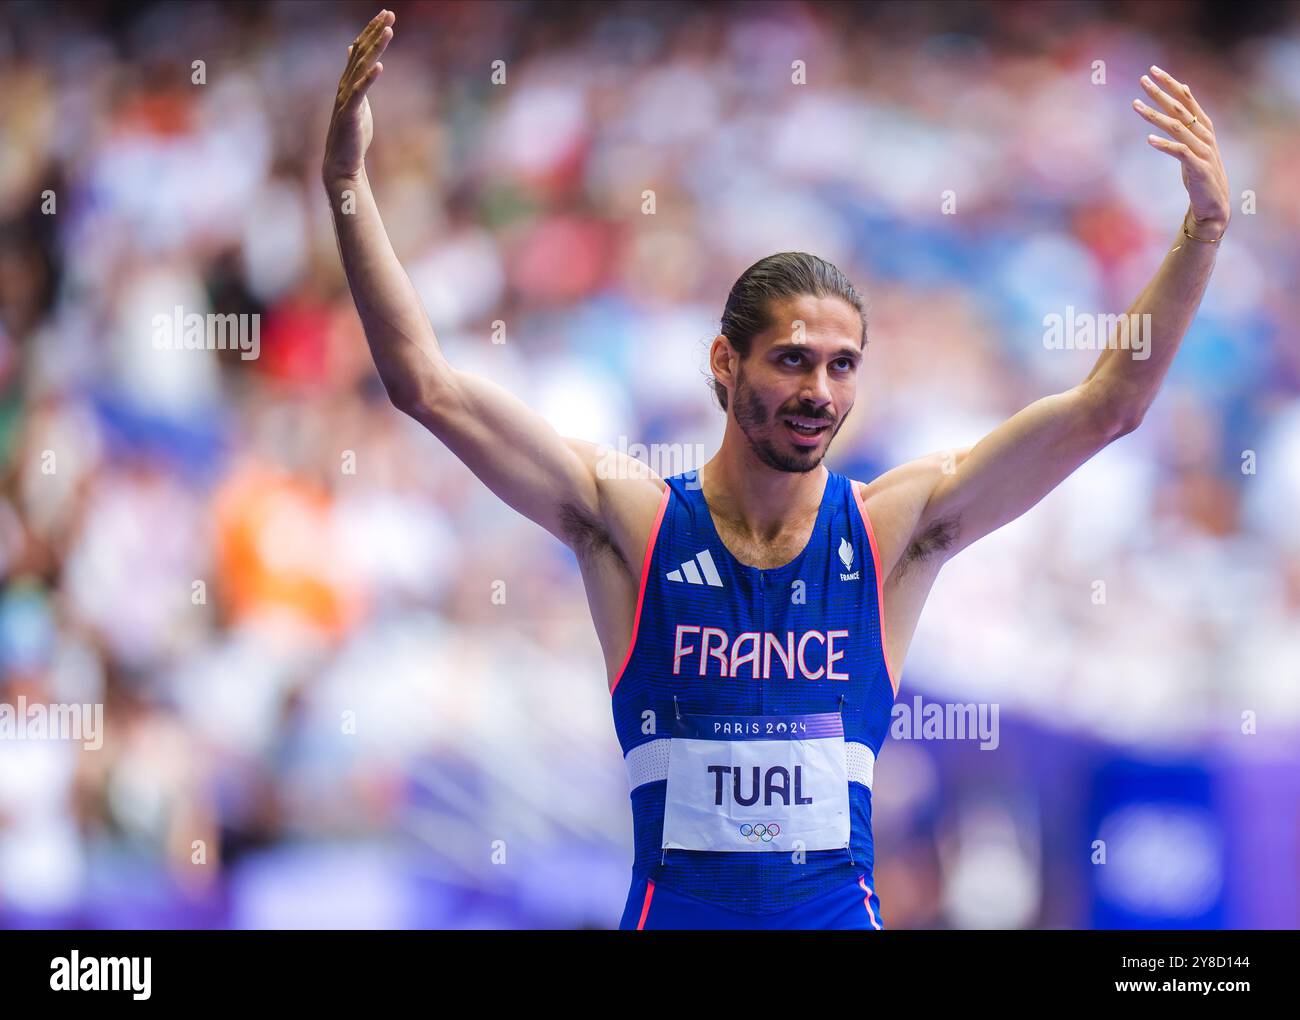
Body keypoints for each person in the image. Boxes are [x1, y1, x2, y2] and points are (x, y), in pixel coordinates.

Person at [323, 10, 1231, 929]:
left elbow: (1107, 408)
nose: (820, 392)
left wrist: (1201, 230)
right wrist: (349, 183)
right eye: (793, 360)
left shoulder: (891, 529)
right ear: (726, 364)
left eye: (843, 366)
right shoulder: (628, 519)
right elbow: (424, 385)